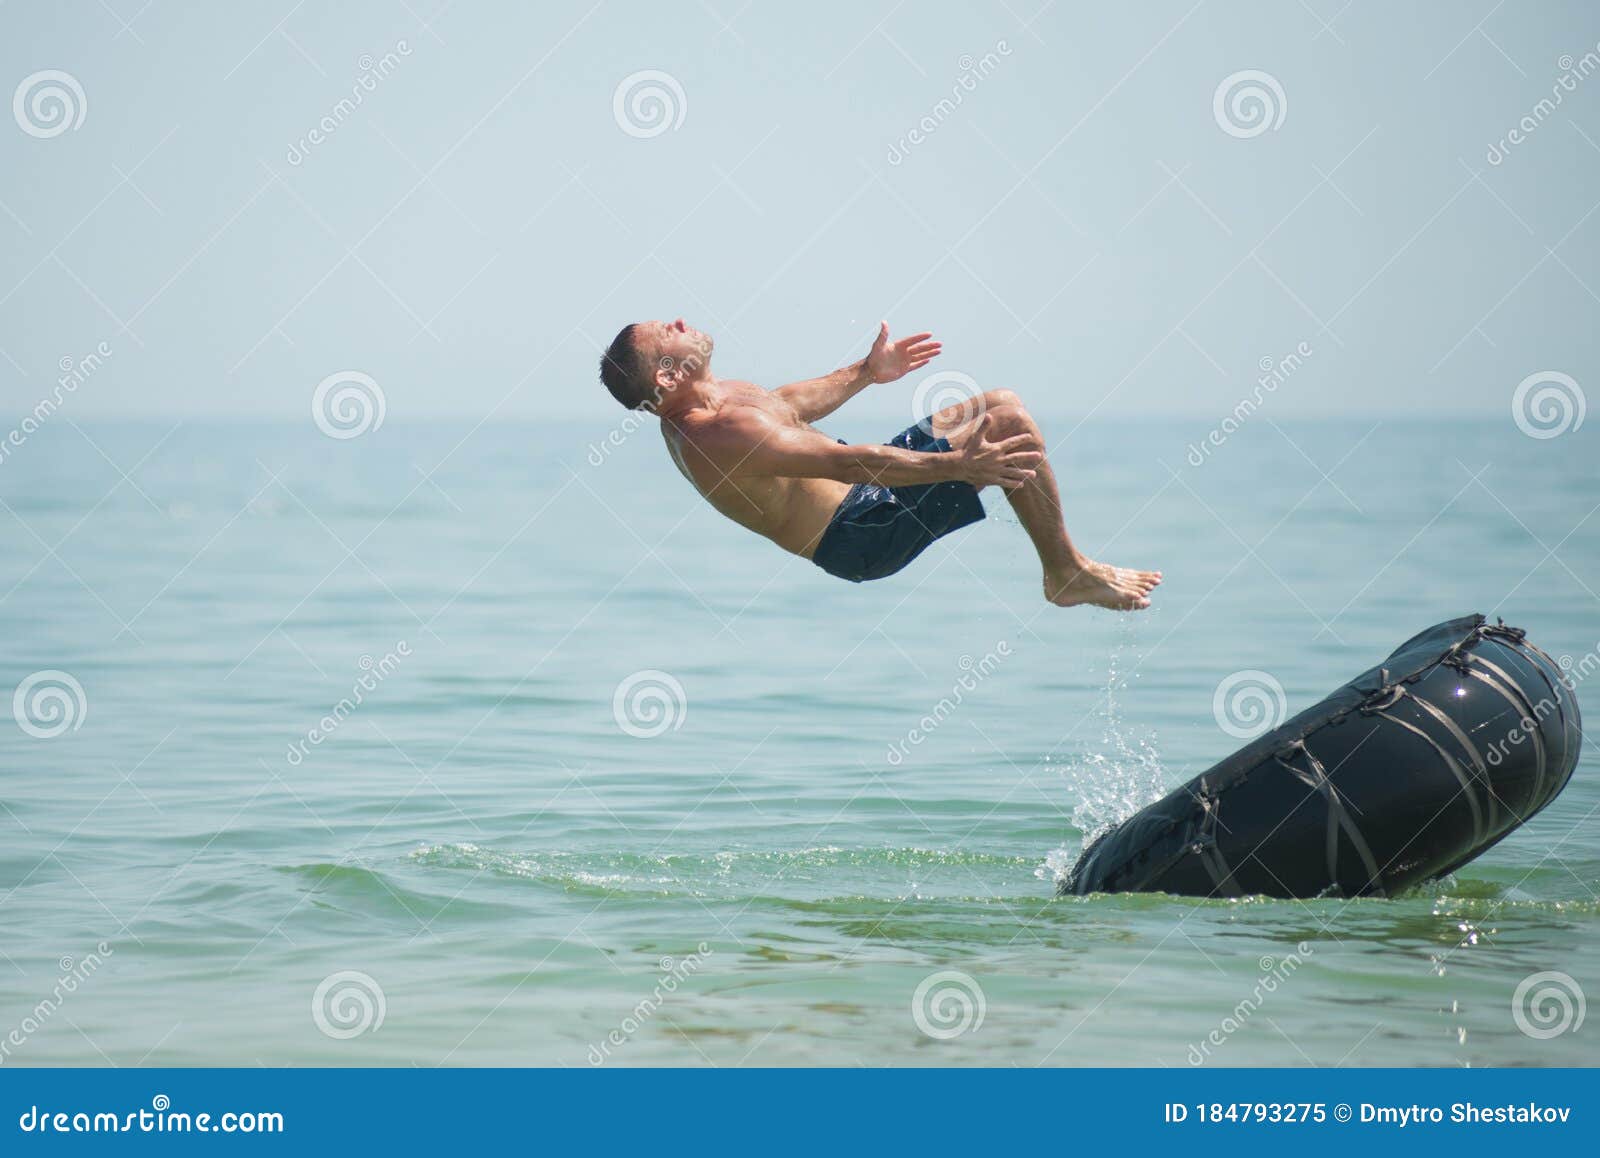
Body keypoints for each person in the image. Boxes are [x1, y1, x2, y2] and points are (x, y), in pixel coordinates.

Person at [597, 318, 1161, 610]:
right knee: (1007, 427)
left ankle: (1066, 568)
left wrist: (867, 371)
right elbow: (847, 464)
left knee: (1002, 404)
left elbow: (789, 404)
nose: (678, 321)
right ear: (667, 377)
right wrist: (961, 466)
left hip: (864, 502)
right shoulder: (716, 434)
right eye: (665, 332)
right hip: (861, 533)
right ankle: (1064, 574)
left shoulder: (719, 396)